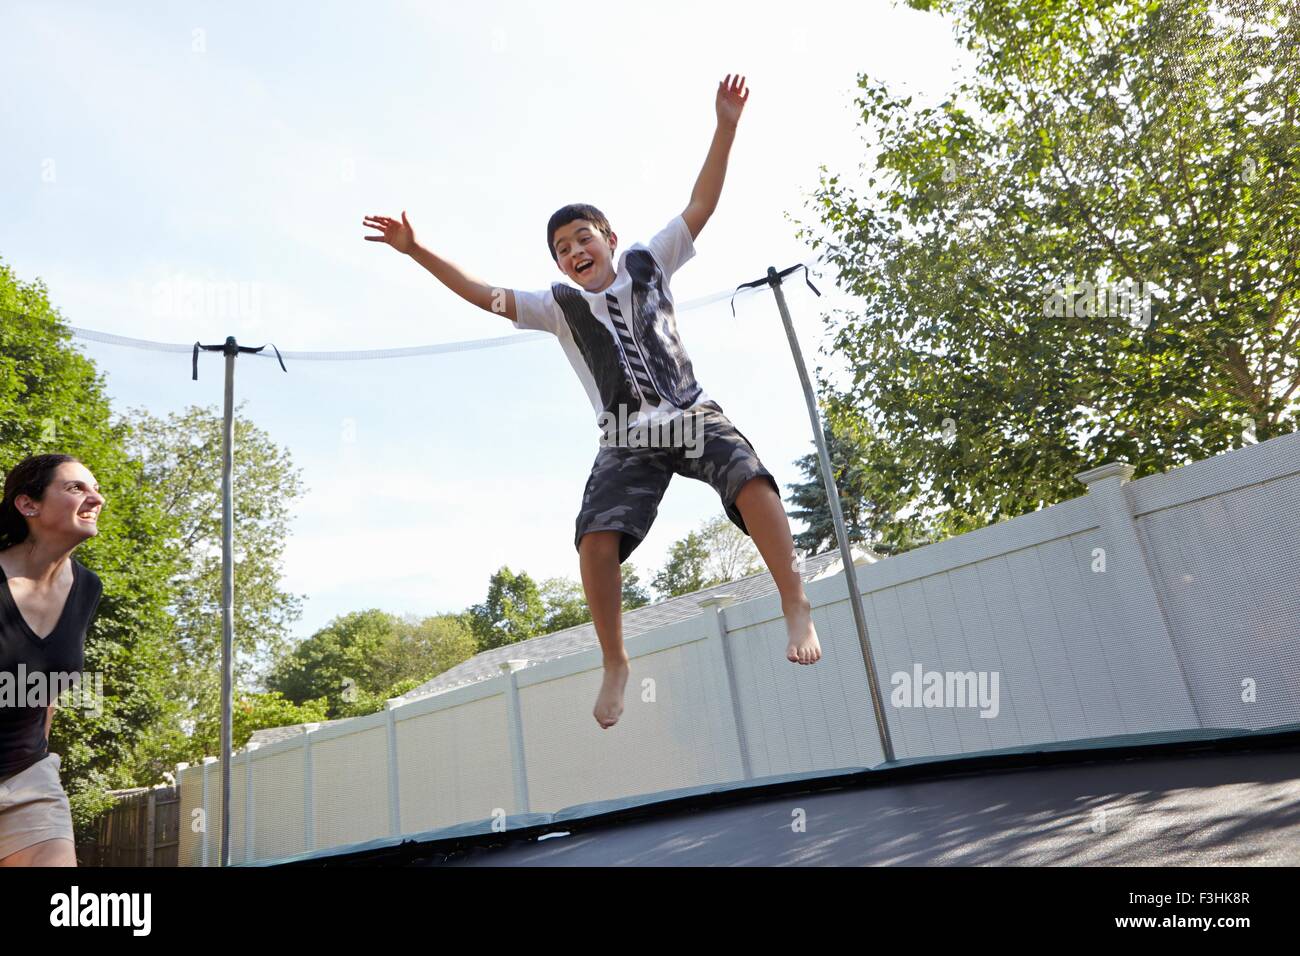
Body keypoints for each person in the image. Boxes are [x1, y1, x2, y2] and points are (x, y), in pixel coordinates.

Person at [364, 73, 820, 730]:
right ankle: (615, 660)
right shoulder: (554, 306)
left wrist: (725, 126)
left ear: (608, 237)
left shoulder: (650, 260)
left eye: (583, 238)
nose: (575, 251)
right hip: (625, 435)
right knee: (595, 541)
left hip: (689, 413)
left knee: (749, 476)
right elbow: (480, 293)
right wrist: (417, 250)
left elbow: (702, 202)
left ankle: (794, 601)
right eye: (562, 249)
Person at [0, 454, 105, 866]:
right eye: (76, 487)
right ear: (29, 505)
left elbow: (49, 688)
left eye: (95, 488)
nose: (95, 497)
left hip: (30, 780)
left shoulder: (87, 588)